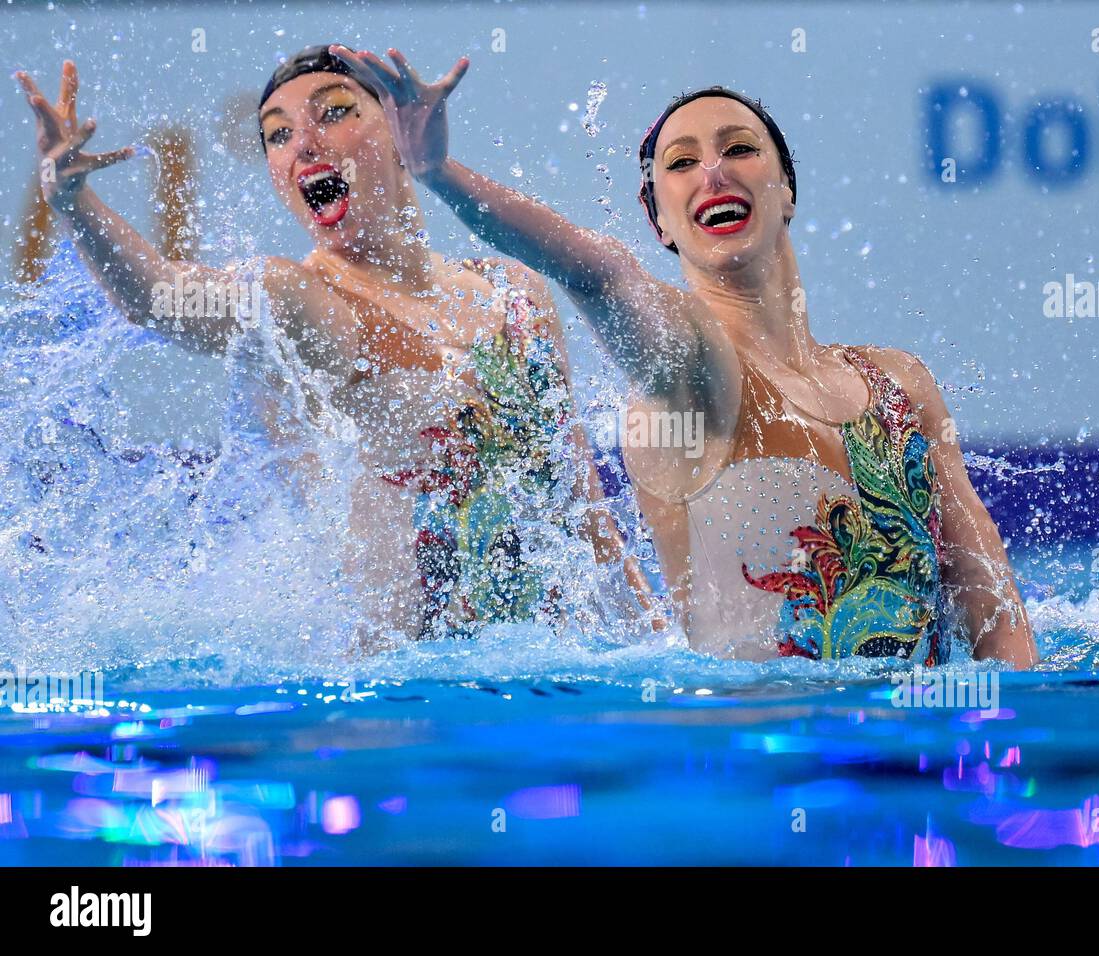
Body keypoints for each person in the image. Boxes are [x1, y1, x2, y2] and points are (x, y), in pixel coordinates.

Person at [324, 46, 1039, 668]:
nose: (712, 173)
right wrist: (440, 172)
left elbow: (984, 585)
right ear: (659, 220)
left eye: (739, 149)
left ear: (786, 189)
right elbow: (598, 275)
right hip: (758, 759)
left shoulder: (898, 381)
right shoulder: (692, 376)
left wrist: (1015, 731)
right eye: (682, 163)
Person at [14, 48, 658, 648]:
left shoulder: (515, 294)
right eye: (278, 133)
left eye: (335, 113)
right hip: (403, 696)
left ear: (402, 132)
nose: (304, 143)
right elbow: (159, 299)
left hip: (552, 676)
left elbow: (587, 512)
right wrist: (71, 200)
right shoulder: (301, 302)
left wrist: (655, 646)